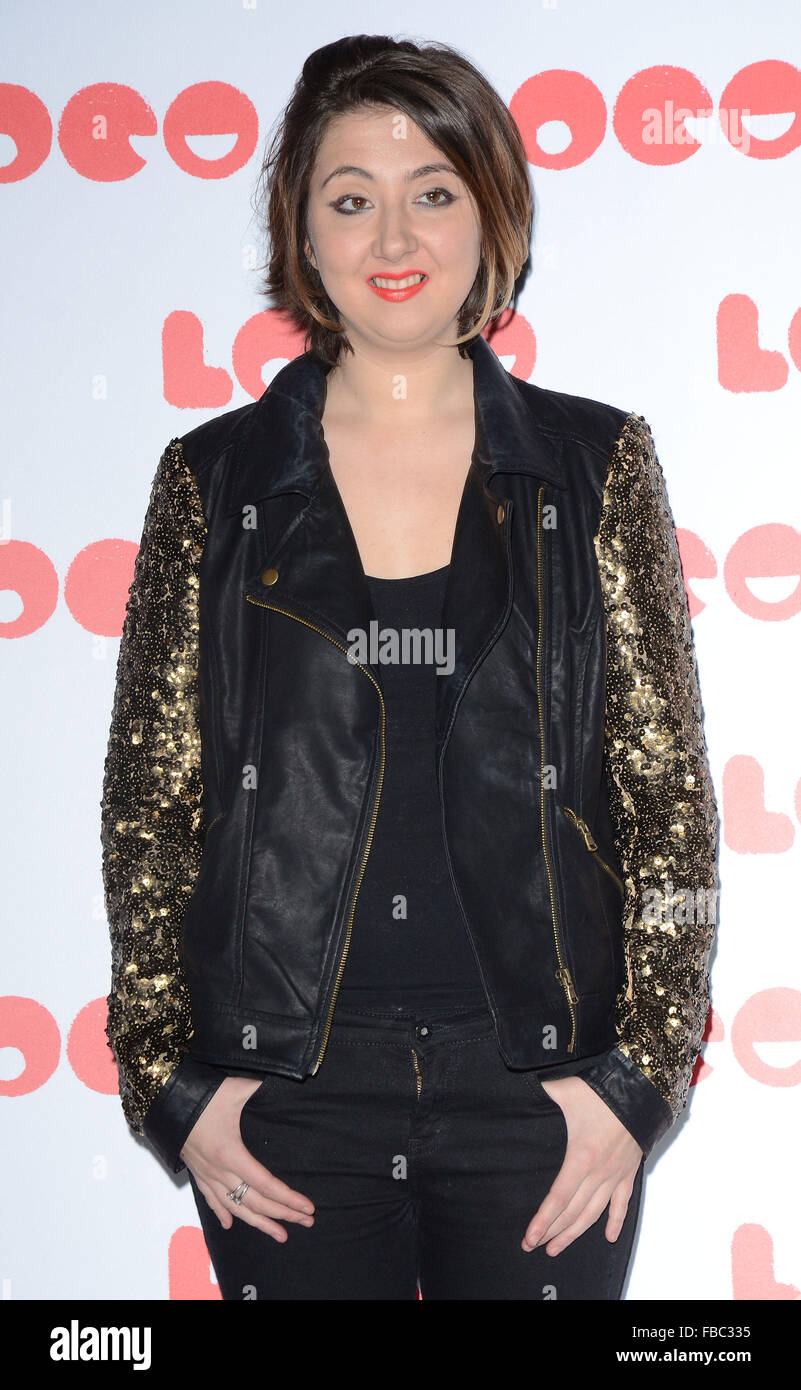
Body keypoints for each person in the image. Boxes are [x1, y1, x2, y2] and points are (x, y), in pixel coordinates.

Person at [100, 34, 720, 1301]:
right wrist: (172, 1083)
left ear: (490, 214)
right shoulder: (216, 482)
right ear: (304, 232)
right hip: (288, 1104)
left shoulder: (592, 466)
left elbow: (666, 802)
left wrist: (638, 1081)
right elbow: (151, 807)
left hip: (540, 1105)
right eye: (350, 197)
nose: (394, 233)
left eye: (433, 190)